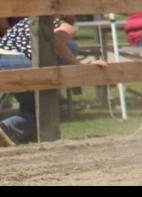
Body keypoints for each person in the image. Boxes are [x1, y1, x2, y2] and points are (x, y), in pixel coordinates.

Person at [0, 12, 105, 144]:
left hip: (3, 60)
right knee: (44, 110)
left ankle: (24, 137)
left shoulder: (28, 20)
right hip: (24, 62)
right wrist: (78, 65)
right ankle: (7, 129)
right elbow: (57, 40)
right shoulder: (63, 25)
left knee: (31, 107)